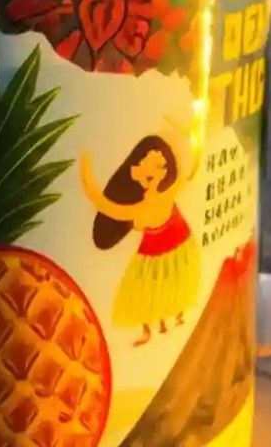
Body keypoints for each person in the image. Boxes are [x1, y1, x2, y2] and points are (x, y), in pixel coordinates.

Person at [80, 120, 202, 346]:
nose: (160, 169)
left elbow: (190, 172)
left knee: (174, 287)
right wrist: (89, 185)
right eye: (153, 165)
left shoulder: (166, 193)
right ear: (137, 170)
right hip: (154, 254)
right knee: (148, 297)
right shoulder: (141, 206)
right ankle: (152, 329)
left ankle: (175, 318)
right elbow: (110, 208)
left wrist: (192, 132)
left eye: (163, 165)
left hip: (177, 245)